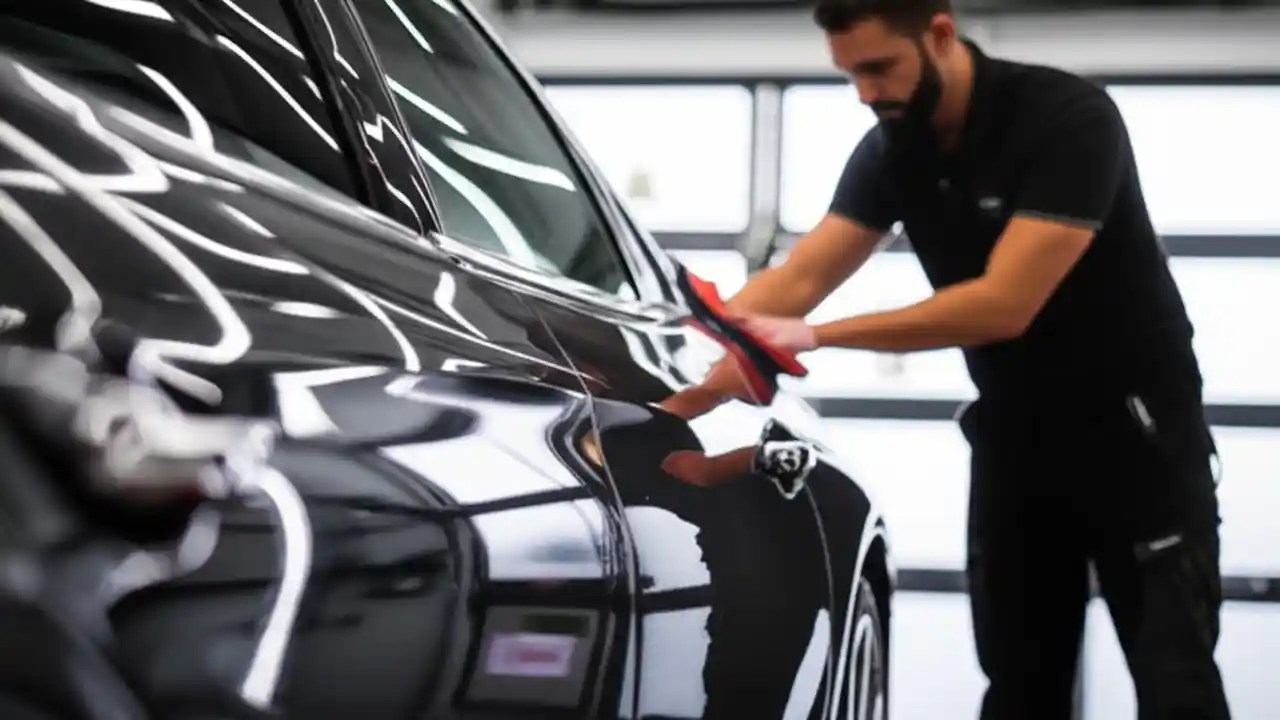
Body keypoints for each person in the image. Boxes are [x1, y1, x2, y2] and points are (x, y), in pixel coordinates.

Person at [702, 1, 1233, 718]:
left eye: (879, 67)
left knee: (1176, 686)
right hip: (1018, 443)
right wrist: (699, 340)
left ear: (940, 34)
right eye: (849, 74)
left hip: (1139, 444)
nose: (865, 91)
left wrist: (819, 337)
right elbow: (795, 284)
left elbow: (1003, 306)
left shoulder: (1068, 118)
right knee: (1019, 688)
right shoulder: (893, 147)